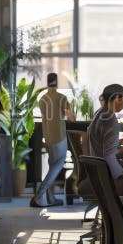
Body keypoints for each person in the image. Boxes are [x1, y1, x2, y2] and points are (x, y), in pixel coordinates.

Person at [32, 72, 74, 208]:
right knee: (57, 166)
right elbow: (71, 117)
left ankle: (50, 198)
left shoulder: (42, 99)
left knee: (52, 166)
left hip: (47, 136)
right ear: (56, 82)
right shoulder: (61, 97)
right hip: (59, 135)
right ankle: (40, 195)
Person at [81, 83, 123, 197]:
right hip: (109, 176)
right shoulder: (110, 119)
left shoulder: (99, 113)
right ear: (117, 98)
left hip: (97, 169)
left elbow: (105, 147)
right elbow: (108, 155)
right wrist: (120, 175)